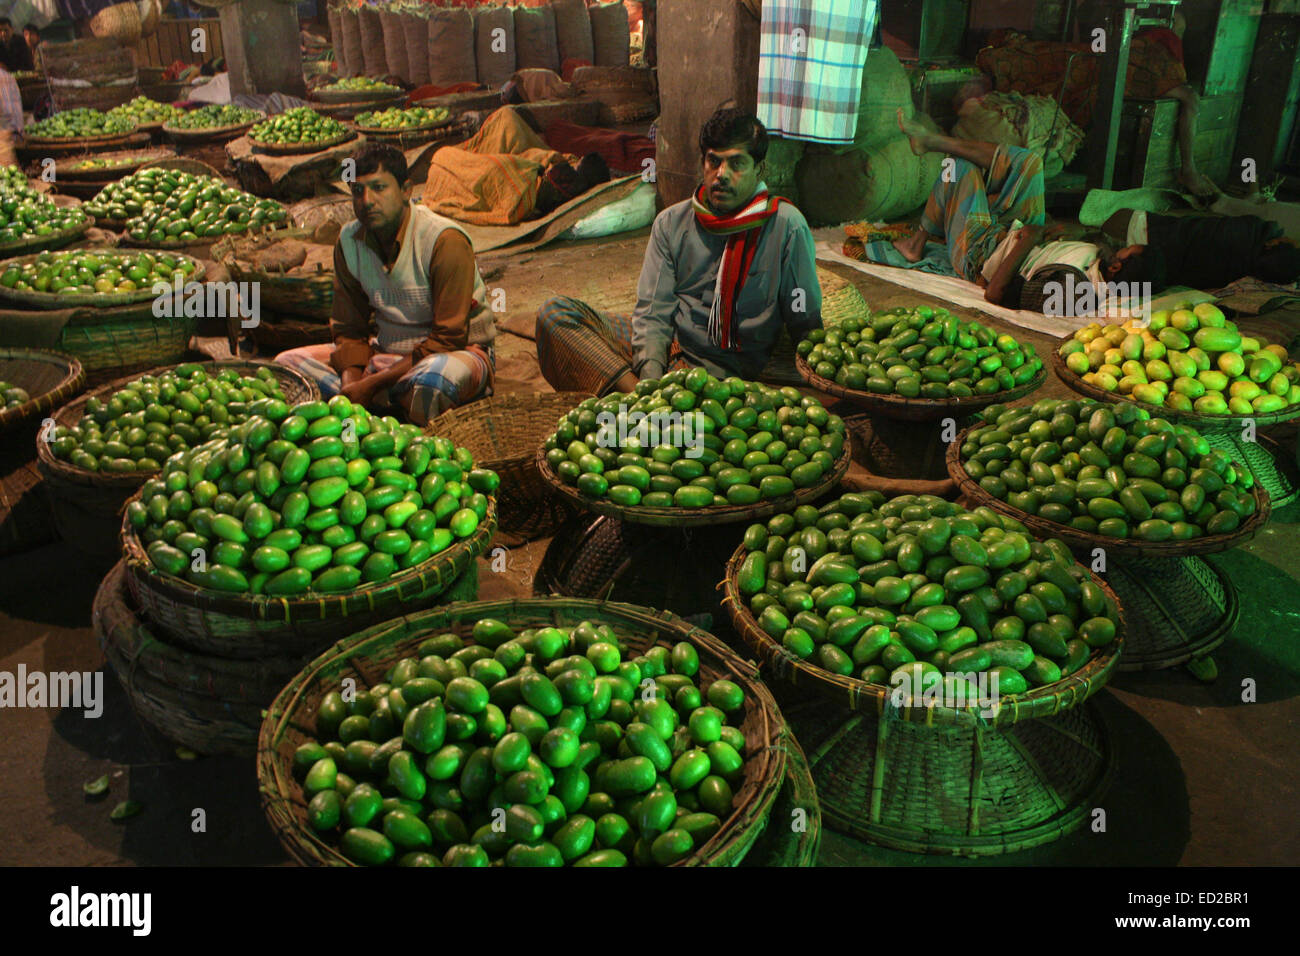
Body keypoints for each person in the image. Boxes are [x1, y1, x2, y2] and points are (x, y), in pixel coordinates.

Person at [535, 107, 821, 395]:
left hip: (743, 377)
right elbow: (653, 311)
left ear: (759, 169)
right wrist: (650, 382)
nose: (721, 175)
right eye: (714, 162)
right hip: (678, 354)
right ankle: (642, 401)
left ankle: (648, 409)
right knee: (556, 315)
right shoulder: (671, 223)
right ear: (702, 163)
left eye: (736, 164)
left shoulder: (786, 226)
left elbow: (804, 320)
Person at [274, 144, 497, 425]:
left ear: (406, 190)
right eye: (358, 191)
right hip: (384, 354)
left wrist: (370, 386)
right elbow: (349, 328)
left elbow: (447, 338)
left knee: (431, 383)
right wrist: (350, 387)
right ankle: (390, 404)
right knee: (286, 367)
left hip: (453, 354)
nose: (367, 201)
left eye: (379, 188)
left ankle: (392, 405)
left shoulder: (443, 240)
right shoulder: (348, 241)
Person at [892, 109, 1158, 309]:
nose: (1123, 244)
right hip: (1017, 233)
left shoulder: (1073, 291)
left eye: (1128, 248)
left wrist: (1031, 238)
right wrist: (1057, 234)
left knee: (960, 168)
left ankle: (917, 243)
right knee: (1029, 163)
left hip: (982, 254)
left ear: (1115, 268)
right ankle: (931, 141)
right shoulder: (1106, 263)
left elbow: (995, 293)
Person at [976, 11, 1216, 199]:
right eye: (1009, 38)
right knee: (1072, 63)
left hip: (1139, 59)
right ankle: (1189, 169)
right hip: (1119, 58)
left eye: (1014, 36)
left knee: (1188, 97)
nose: (1016, 38)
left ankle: (1188, 169)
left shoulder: (1168, 25)